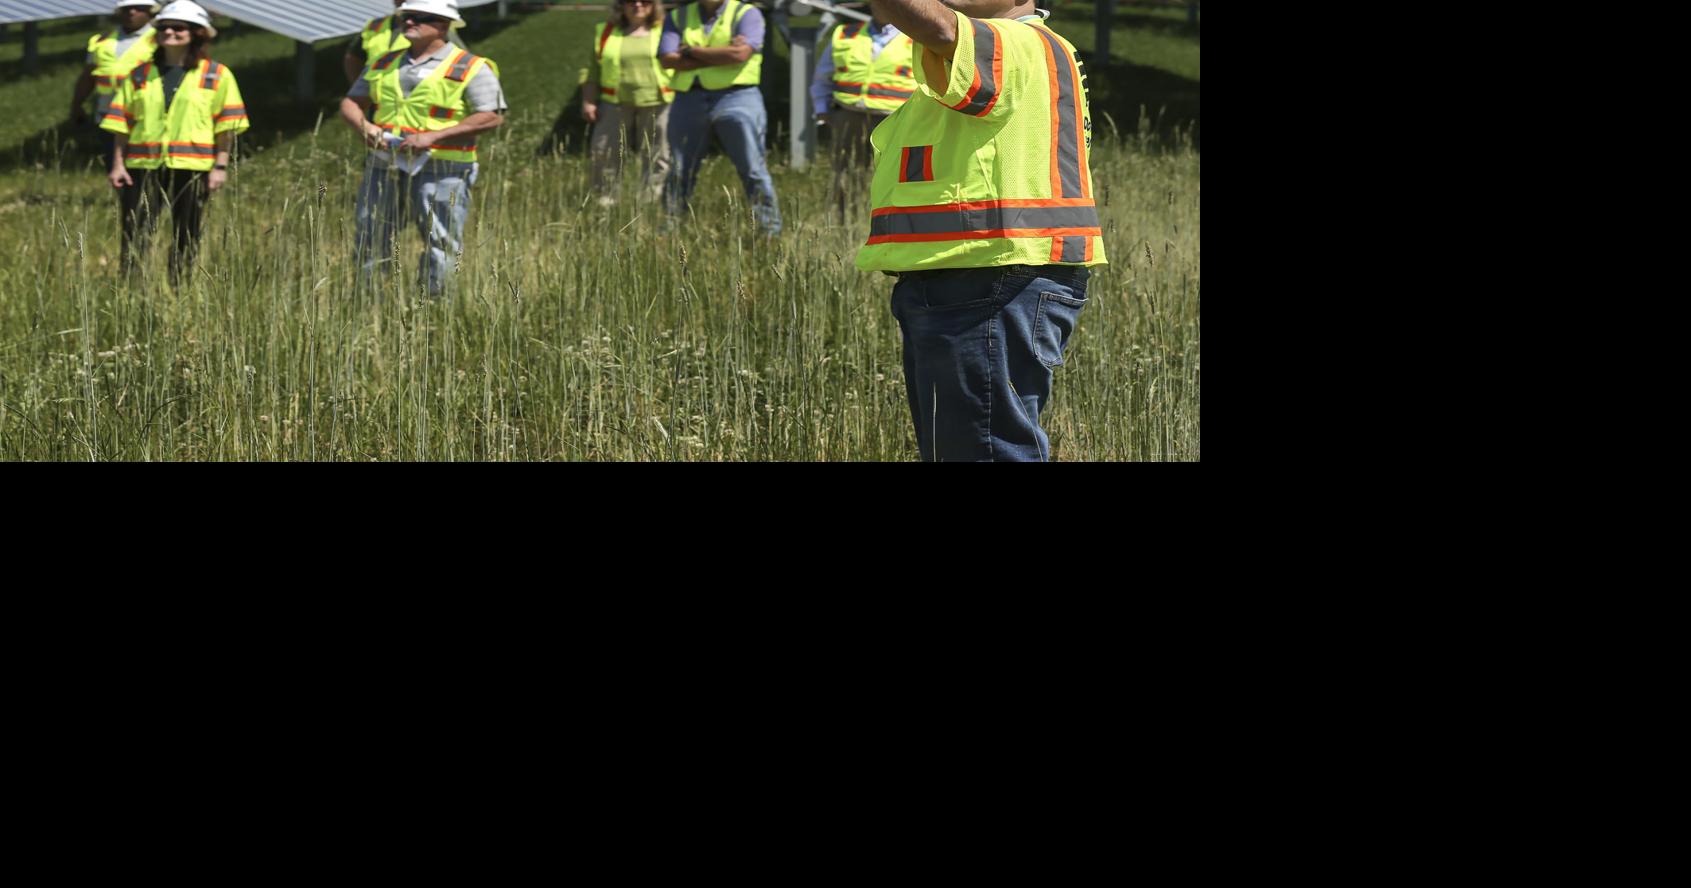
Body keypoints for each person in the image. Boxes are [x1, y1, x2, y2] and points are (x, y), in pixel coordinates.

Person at [856, 0, 1107, 462]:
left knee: (980, 452)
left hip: (988, 278)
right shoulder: (1034, 47)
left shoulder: (1011, 41)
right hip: (987, 276)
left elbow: (937, 26)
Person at [339, 0, 506, 297]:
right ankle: (369, 304)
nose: (409, 21)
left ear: (443, 25)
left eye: (419, 17)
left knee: (440, 240)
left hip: (443, 167)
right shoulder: (384, 62)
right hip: (385, 162)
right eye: (406, 16)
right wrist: (366, 128)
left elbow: (491, 115)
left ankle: (433, 310)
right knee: (371, 233)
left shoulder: (471, 66)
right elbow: (351, 102)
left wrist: (434, 137)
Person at [101, 0, 247, 285]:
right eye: (164, 27)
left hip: (194, 167)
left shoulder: (216, 75)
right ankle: (133, 292)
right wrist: (117, 164)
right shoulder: (140, 74)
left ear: (196, 33)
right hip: (142, 166)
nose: (170, 32)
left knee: (187, 232)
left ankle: (180, 288)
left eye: (178, 28)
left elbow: (227, 126)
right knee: (135, 232)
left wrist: (220, 166)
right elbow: (121, 123)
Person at [657, 0, 781, 235]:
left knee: (753, 167)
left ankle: (768, 231)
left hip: (737, 96)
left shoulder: (747, 13)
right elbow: (666, 58)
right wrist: (722, 52)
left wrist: (690, 51)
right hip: (688, 99)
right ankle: (670, 229)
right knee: (679, 168)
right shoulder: (679, 16)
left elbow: (740, 54)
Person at [810, 12, 915, 222]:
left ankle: (894, 225)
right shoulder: (845, 34)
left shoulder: (919, 35)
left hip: (897, 118)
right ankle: (844, 224)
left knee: (898, 178)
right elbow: (823, 76)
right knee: (845, 175)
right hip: (849, 116)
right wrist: (822, 109)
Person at [584, 0, 674, 207]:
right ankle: (605, 201)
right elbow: (591, 70)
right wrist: (588, 101)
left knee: (658, 154)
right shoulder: (606, 31)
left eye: (645, 1)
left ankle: (651, 201)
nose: (638, 5)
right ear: (621, 5)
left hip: (658, 102)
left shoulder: (666, 29)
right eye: (630, 1)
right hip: (614, 103)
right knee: (604, 152)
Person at [72, 2, 159, 170]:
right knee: (114, 166)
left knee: (144, 169)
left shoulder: (160, 40)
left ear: (150, 11)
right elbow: (88, 76)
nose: (132, 12)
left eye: (139, 8)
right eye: (127, 8)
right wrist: (77, 104)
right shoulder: (102, 40)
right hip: (108, 114)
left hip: (143, 115)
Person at [344, 0, 465, 85]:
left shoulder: (433, 26)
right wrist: (359, 86)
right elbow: (353, 57)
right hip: (375, 95)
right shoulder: (375, 26)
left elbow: (462, 62)